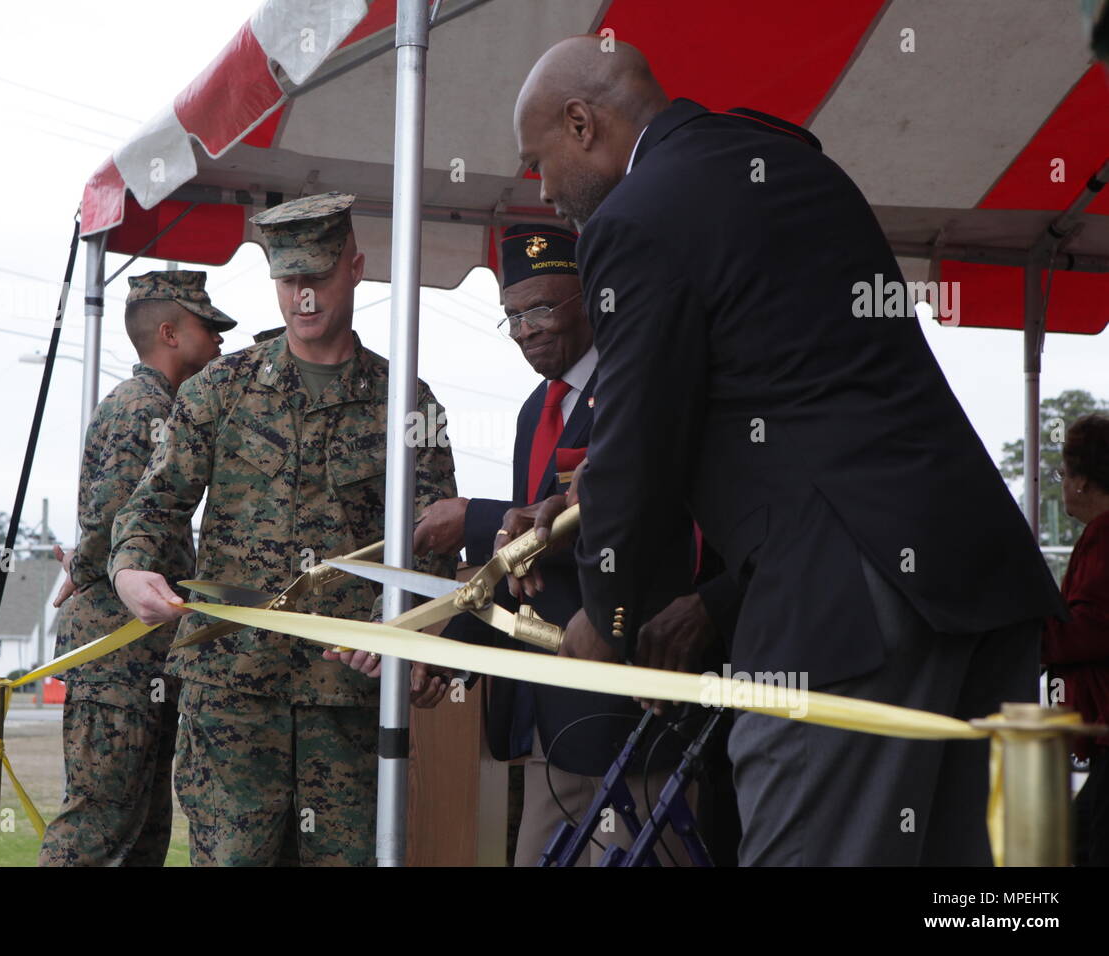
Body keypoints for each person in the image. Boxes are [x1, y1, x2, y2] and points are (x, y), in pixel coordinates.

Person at [512, 36, 1065, 865]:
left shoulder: (633, 220)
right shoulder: (795, 165)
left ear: (582, 122)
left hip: (847, 613)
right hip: (977, 579)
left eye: (539, 161)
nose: (544, 189)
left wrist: (609, 611)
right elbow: (796, 391)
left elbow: (643, 441)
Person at [110, 192, 455, 867]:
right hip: (232, 700)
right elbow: (155, 501)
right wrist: (129, 567)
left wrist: (408, 633)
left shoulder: (407, 403)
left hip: (348, 705)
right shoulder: (220, 389)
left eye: (318, 275)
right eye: (288, 279)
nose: (303, 295)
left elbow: (436, 545)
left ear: (354, 267)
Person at [415, 223, 739, 865]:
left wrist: (476, 520)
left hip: (640, 718)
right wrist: (443, 649)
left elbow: (644, 526)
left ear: (592, 297)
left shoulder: (640, 392)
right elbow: (526, 568)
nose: (526, 329)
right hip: (553, 727)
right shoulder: (535, 411)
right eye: (512, 315)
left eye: (541, 308)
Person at [39, 270, 233, 867]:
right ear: (171, 333)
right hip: (116, 647)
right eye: (210, 329)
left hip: (143, 649)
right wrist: (85, 567)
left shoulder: (161, 405)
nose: (222, 342)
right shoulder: (148, 409)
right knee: (100, 820)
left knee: (145, 823)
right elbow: (115, 513)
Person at [1042, 412, 1109, 866]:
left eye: (1063, 474)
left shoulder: (1104, 537)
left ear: (1082, 480)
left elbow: (1091, 629)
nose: (1062, 483)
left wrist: (1027, 630)